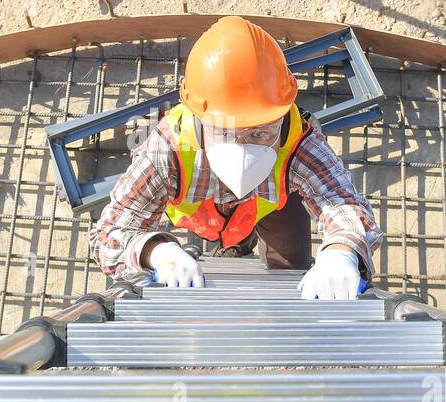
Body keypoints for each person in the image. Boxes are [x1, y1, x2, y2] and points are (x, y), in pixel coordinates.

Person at [91, 16, 382, 300]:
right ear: (199, 118)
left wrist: (341, 252)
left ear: (281, 116)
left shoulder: (299, 143)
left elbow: (343, 202)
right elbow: (108, 235)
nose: (244, 151)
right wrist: (154, 251)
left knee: (291, 265)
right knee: (207, 248)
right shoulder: (168, 150)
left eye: (261, 133)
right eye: (226, 132)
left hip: (270, 206)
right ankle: (236, 243)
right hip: (205, 213)